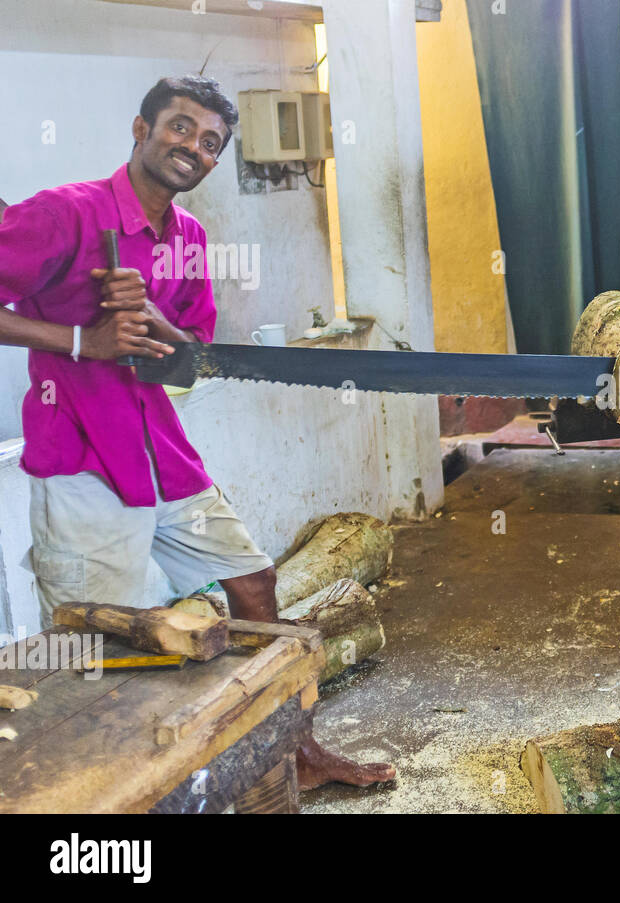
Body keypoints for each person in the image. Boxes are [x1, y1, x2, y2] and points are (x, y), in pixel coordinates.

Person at [0, 75, 394, 786]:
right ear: (141, 128)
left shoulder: (187, 237)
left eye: (210, 142)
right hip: (83, 466)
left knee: (253, 581)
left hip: (163, 457)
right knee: (102, 643)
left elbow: (190, 360)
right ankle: (111, 794)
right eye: (180, 127)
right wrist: (81, 339)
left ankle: (294, 752)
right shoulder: (67, 214)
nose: (193, 147)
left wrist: (152, 322)